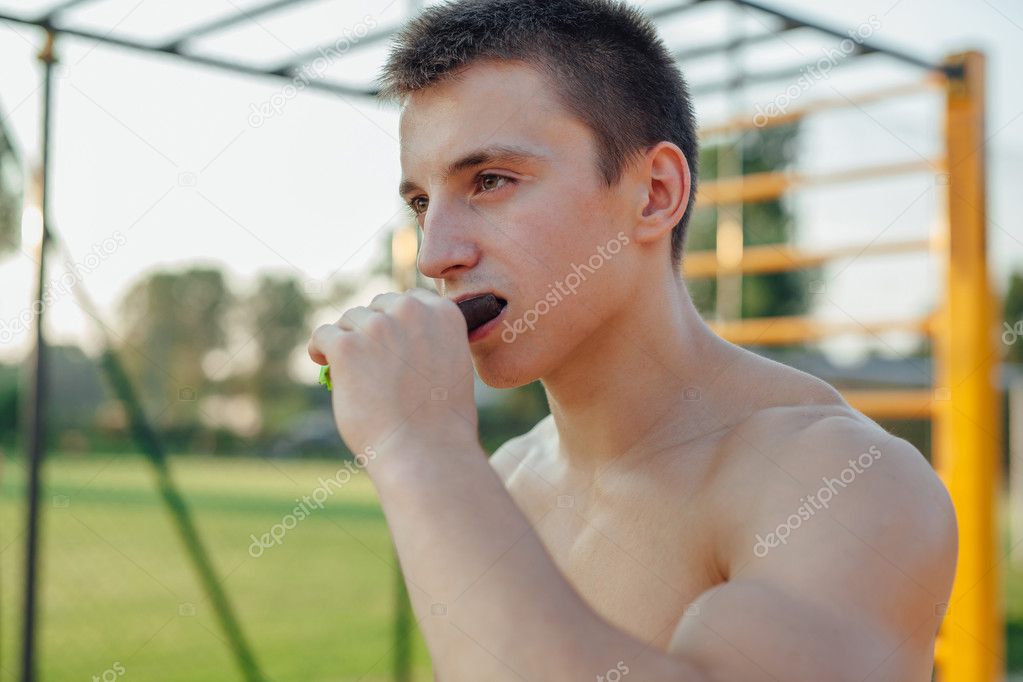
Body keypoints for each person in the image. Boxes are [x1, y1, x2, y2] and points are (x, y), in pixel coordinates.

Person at [307, 0, 957, 679]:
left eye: (491, 180)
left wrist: (423, 450)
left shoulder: (844, 482)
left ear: (653, 193)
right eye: (420, 203)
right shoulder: (503, 481)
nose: (433, 255)